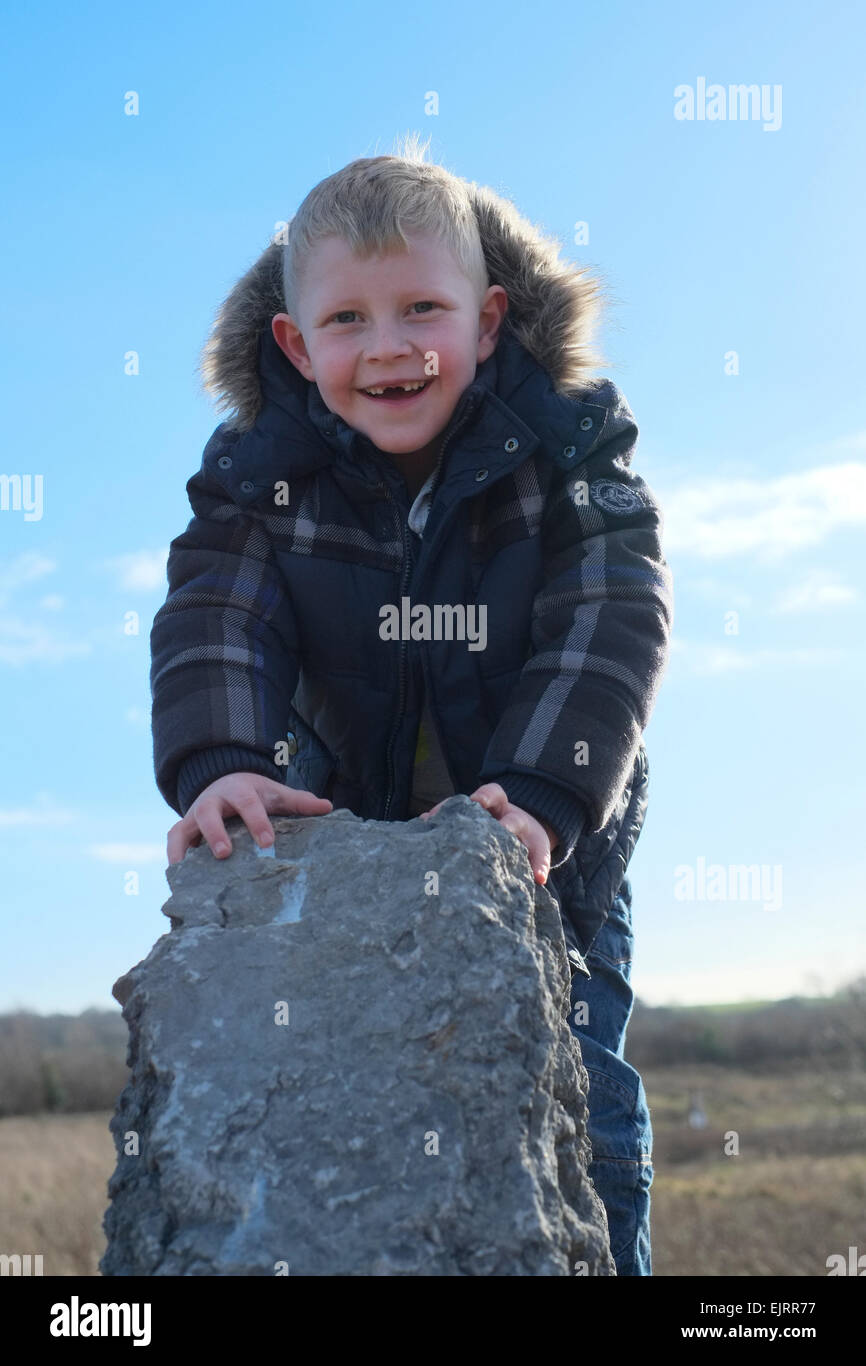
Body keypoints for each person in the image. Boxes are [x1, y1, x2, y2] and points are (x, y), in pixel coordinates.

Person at [150, 142, 673, 1275]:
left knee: (577, 1081)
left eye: (420, 309)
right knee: (339, 1082)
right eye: (345, 320)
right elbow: (214, 612)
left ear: (486, 322)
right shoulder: (259, 465)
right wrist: (220, 760)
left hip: (550, 834)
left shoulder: (571, 432)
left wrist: (542, 795)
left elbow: (609, 611)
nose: (387, 347)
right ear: (294, 343)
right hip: (343, 831)